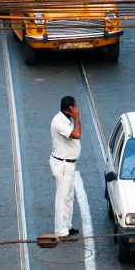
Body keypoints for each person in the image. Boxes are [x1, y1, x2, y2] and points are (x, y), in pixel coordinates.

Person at [50, 96, 82, 239]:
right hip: (62, 164)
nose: (77, 110)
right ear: (70, 108)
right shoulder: (58, 121)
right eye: (75, 107)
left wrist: (74, 119)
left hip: (69, 164)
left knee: (69, 197)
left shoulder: (65, 119)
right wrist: (76, 118)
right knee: (62, 198)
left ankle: (67, 226)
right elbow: (77, 134)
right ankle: (60, 231)